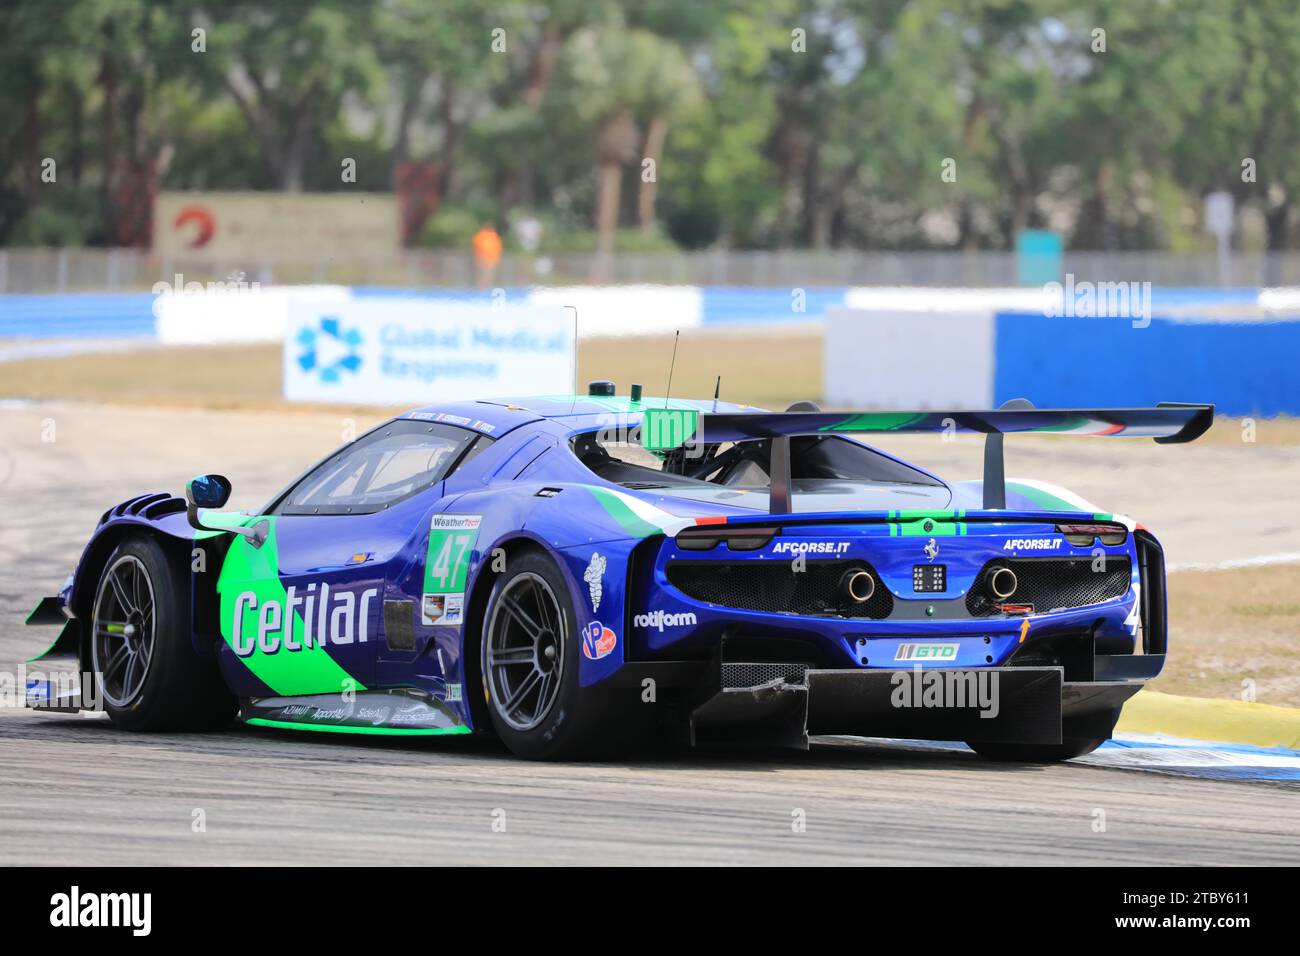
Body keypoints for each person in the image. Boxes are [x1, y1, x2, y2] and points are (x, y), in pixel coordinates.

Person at [472, 223, 502, 288]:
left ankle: (484, 287)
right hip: (487, 259)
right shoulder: (492, 236)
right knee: (485, 274)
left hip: (486, 259)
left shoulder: (483, 236)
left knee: (485, 274)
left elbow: (497, 248)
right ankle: (483, 287)